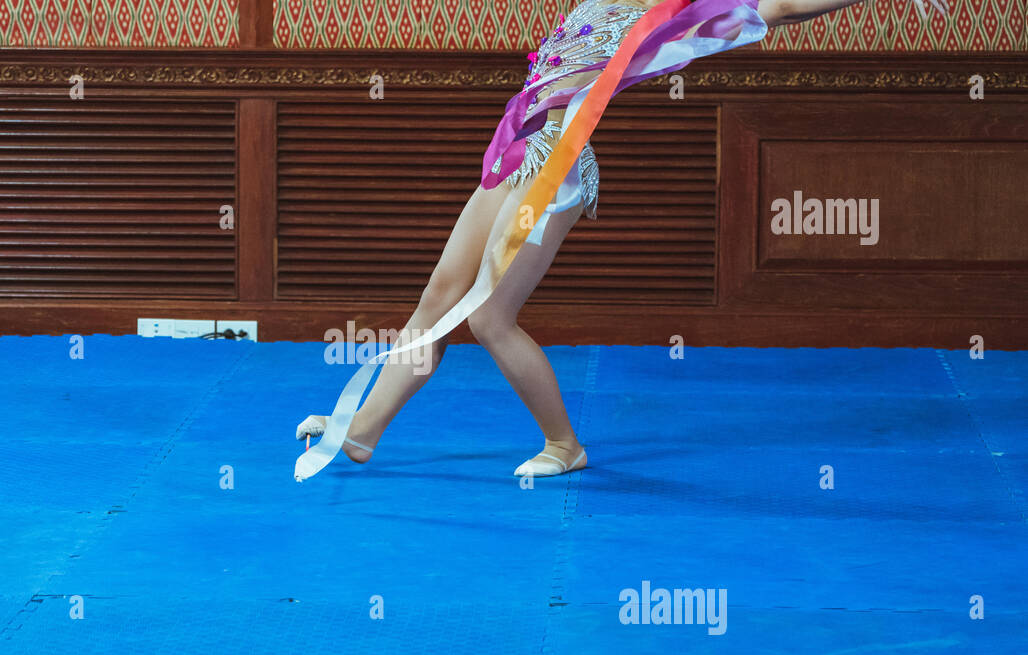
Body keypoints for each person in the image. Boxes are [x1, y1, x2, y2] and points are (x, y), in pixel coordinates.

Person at [296, 0, 948, 480]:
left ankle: (563, 445)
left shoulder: (673, 16)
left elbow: (777, 7)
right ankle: (362, 431)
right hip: (515, 150)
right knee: (438, 298)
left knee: (492, 317)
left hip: (555, 164)